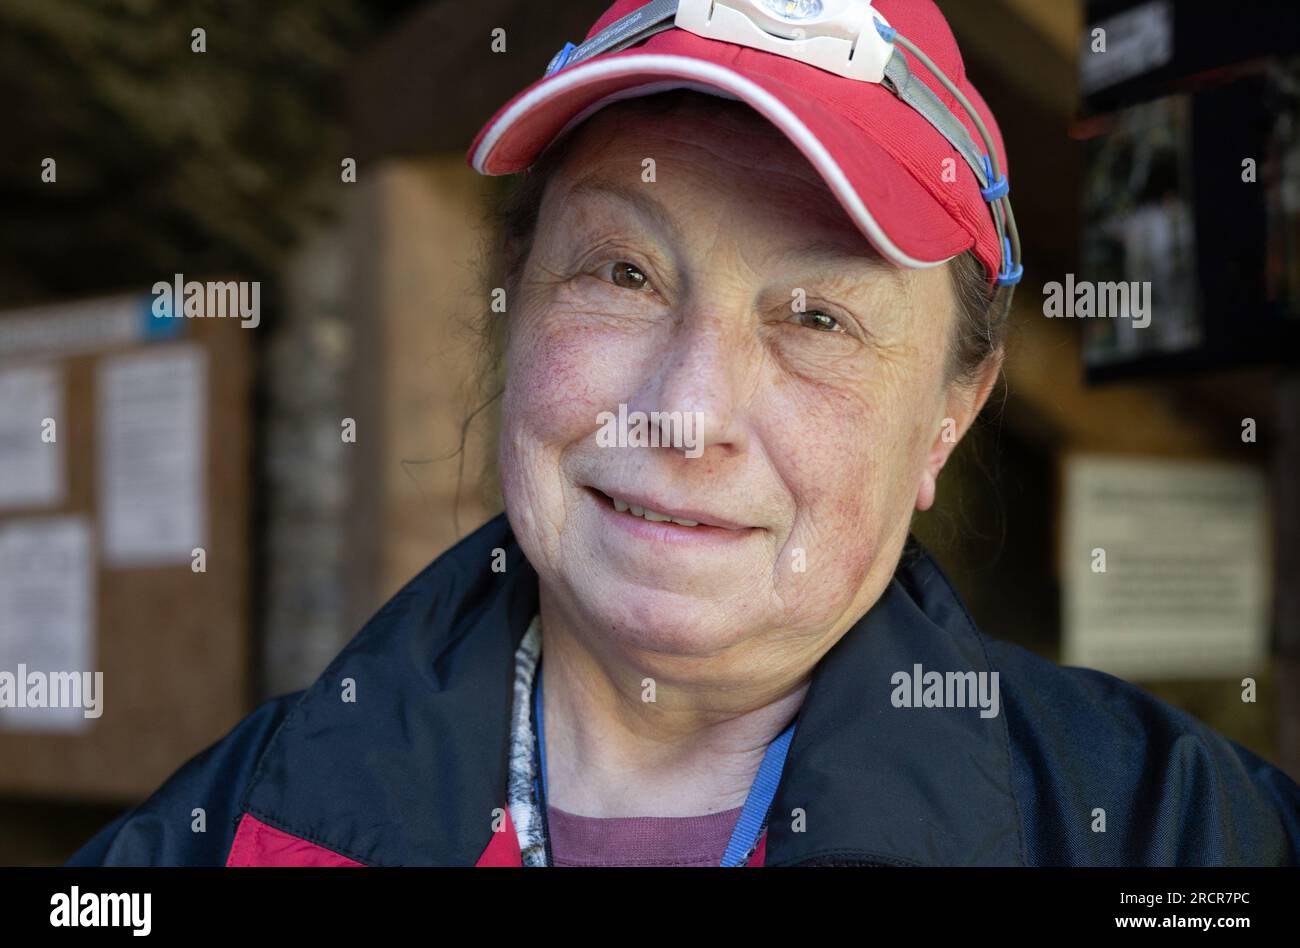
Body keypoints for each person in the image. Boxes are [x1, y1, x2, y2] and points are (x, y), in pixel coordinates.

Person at [70, 0, 1299, 867]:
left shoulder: (1174, 833)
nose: (687, 409)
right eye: (621, 272)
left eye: (817, 313)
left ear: (947, 416)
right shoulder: (222, 829)